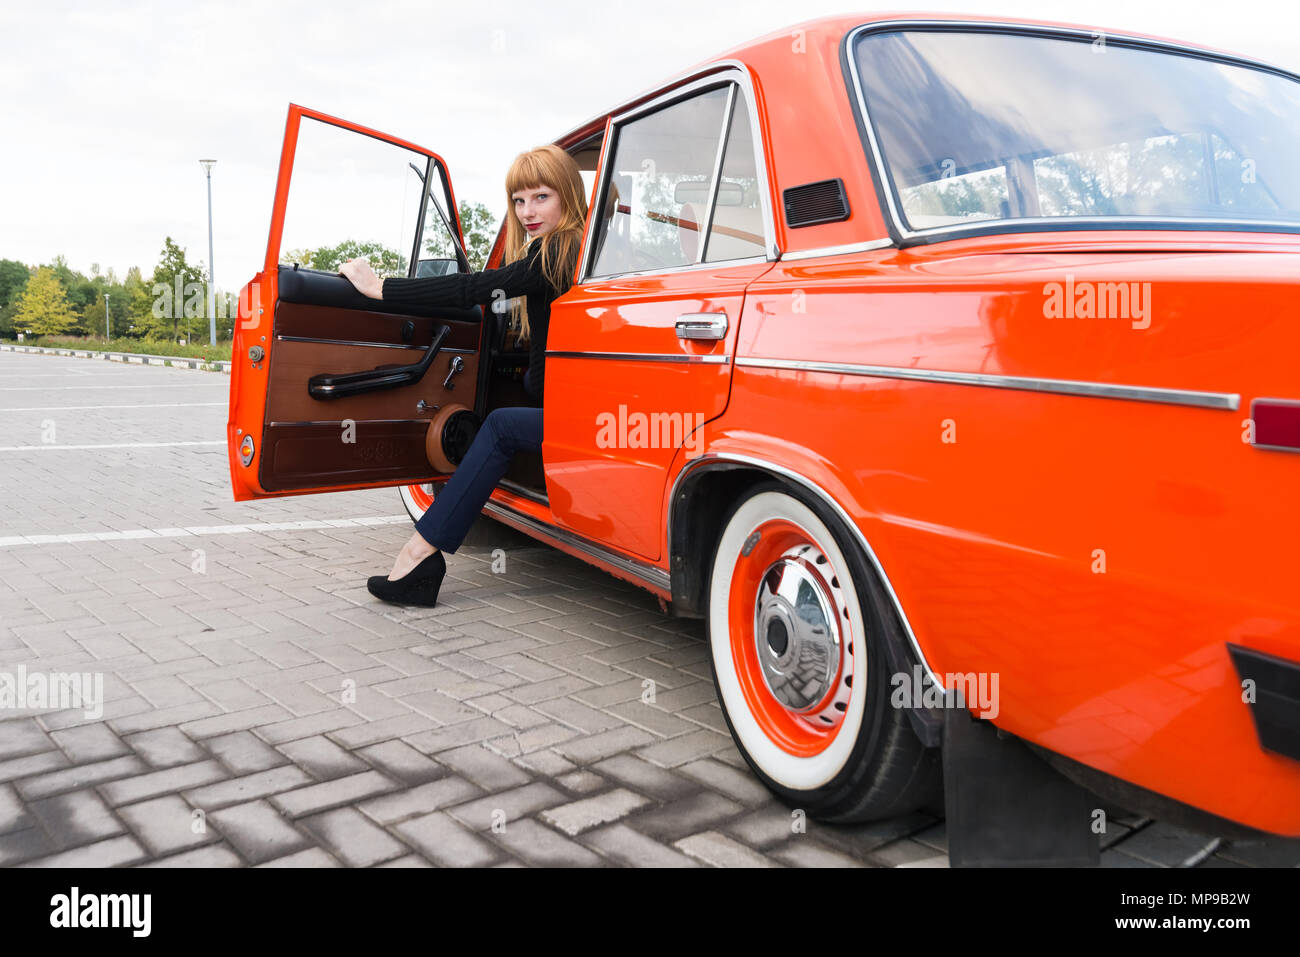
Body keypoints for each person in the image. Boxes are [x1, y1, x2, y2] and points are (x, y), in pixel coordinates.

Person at [339, 144, 588, 606]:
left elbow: (471, 289)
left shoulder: (557, 252)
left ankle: (420, 553)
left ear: (568, 197)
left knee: (499, 426)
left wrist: (381, 288)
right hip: (579, 405)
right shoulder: (576, 252)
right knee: (511, 409)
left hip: (578, 418)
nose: (528, 211)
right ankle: (422, 556)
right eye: (519, 200)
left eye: (541, 197)